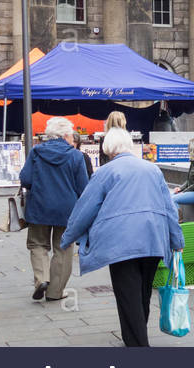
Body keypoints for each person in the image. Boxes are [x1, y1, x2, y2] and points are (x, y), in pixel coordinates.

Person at [61, 127, 185, 347]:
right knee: (142, 292)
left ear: (108, 148)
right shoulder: (152, 170)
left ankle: (137, 343)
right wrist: (177, 241)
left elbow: (85, 209)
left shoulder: (105, 172)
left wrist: (67, 237)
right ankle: (135, 335)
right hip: (153, 239)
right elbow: (169, 209)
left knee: (127, 294)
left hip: (120, 242)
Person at [19, 116, 89, 303]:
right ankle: (55, 291)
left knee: (37, 244)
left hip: (39, 207)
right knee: (63, 248)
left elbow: (25, 179)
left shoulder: (36, 152)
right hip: (66, 209)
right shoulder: (75, 155)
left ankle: (42, 279)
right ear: (66, 135)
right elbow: (83, 187)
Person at [171, 138, 194, 206]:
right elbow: (189, 180)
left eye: (188, 145)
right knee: (168, 198)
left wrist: (184, 192)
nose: (187, 147)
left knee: (173, 199)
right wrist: (180, 188)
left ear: (193, 147)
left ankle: (176, 216)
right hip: (191, 191)